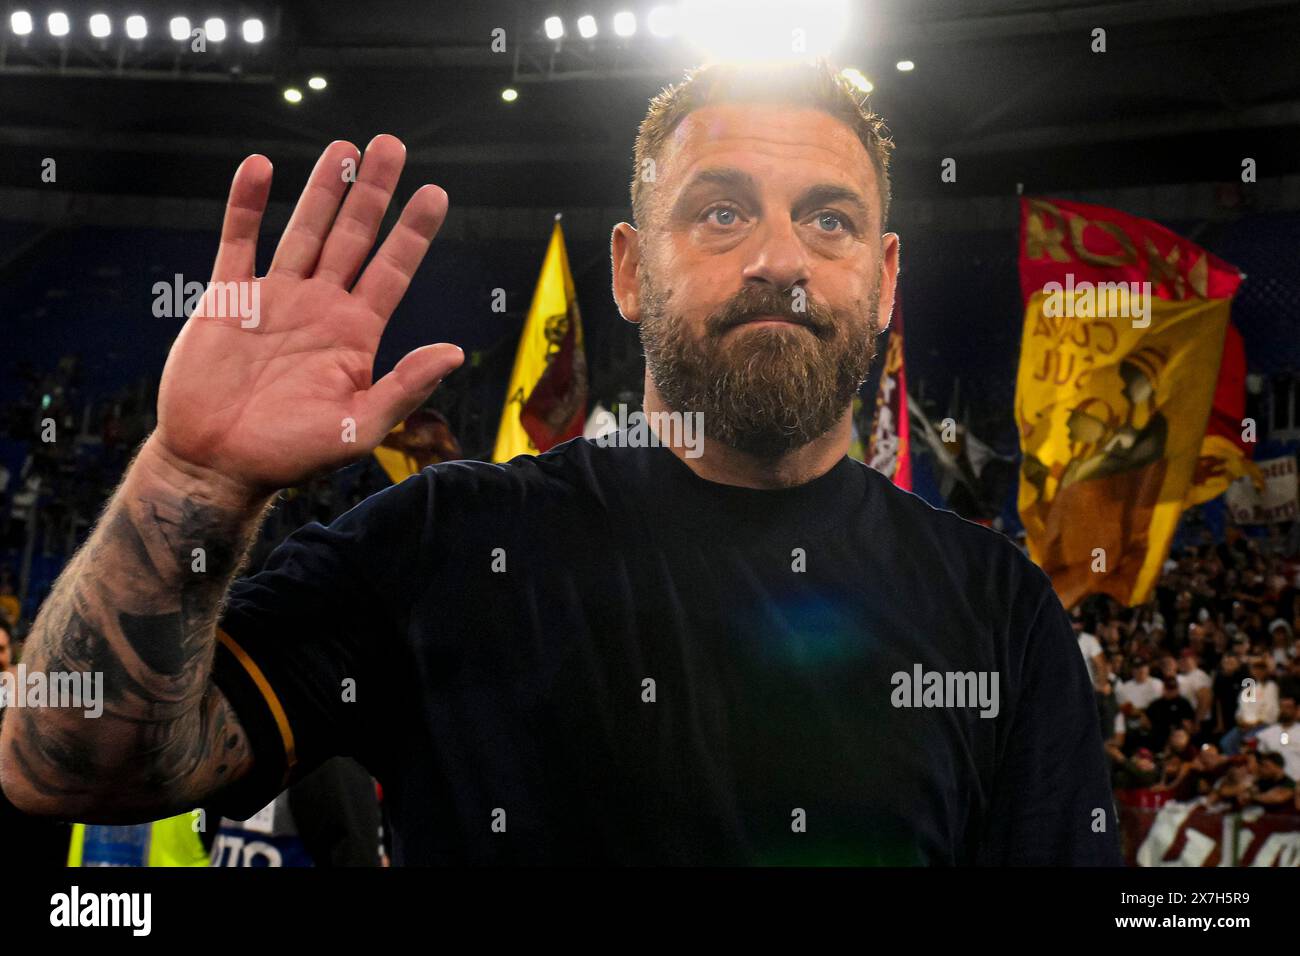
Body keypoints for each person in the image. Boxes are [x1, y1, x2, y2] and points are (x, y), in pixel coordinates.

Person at [0, 59, 1119, 866]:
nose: (779, 258)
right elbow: (73, 764)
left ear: (881, 280)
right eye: (720, 211)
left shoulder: (1000, 615)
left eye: (826, 220)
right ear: (628, 271)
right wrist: (190, 476)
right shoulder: (443, 542)